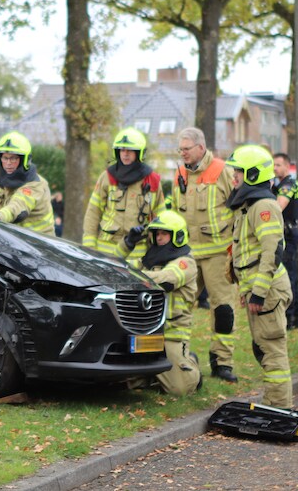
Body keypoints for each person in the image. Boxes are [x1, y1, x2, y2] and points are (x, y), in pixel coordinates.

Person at [225, 144, 293, 409]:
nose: (234, 178)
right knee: (263, 348)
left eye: (239, 173)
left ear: (253, 175)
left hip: (268, 292)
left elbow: (272, 252)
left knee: (272, 351)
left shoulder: (263, 206)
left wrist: (258, 292)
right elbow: (246, 254)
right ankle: (275, 404)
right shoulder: (249, 206)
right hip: (258, 291)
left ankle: (279, 410)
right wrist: (247, 291)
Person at [173, 127, 238, 383]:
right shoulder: (179, 173)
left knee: (222, 309)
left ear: (201, 147)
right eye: (180, 150)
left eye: (186, 149)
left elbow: (238, 206)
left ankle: (222, 362)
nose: (183, 154)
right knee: (180, 306)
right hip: (188, 255)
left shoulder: (223, 170)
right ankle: (180, 357)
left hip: (217, 255)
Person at [123, 211, 202, 395]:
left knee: (179, 389)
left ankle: (191, 366)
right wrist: (127, 243)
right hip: (146, 331)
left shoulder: (185, 263)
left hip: (172, 335)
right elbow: (117, 263)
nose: (159, 238)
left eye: (164, 234)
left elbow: (163, 280)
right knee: (132, 384)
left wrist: (133, 274)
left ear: (178, 236)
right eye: (157, 234)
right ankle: (154, 375)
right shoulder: (149, 260)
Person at [83, 127, 163, 259]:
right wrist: (89, 246)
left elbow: (160, 217)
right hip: (106, 249)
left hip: (137, 254)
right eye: (122, 150)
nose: (125, 154)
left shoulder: (152, 180)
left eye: (130, 150)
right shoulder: (107, 177)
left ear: (139, 153)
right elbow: (93, 212)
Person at [0, 131, 55, 235]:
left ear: (24, 160)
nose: (8, 163)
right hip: (19, 242)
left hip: (41, 245)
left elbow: (17, 207)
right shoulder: (4, 184)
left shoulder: (35, 184)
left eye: (13, 158)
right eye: (5, 158)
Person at [272, 152, 298, 329]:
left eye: (278, 165)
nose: (275, 168)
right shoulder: (280, 185)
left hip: (289, 235)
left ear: (287, 166)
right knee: (291, 275)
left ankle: (290, 318)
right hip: (286, 234)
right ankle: (295, 317)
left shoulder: (289, 184)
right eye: (273, 165)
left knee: (288, 276)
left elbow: (278, 206)